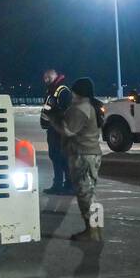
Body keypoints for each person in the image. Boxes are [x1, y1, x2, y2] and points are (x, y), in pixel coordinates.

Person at [54, 77, 104, 242]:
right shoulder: (92, 106)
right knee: (91, 195)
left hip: (83, 155)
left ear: (78, 92)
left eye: (74, 91)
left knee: (85, 195)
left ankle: (91, 232)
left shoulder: (80, 109)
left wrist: (53, 119)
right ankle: (96, 230)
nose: (72, 94)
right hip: (93, 154)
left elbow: (68, 131)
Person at [40, 69, 74, 194]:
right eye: (44, 78)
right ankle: (59, 184)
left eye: (47, 78)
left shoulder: (62, 90)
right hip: (53, 129)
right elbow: (47, 109)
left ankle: (70, 185)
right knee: (55, 157)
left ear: (53, 76)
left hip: (60, 131)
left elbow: (68, 110)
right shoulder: (52, 90)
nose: (45, 80)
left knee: (62, 158)